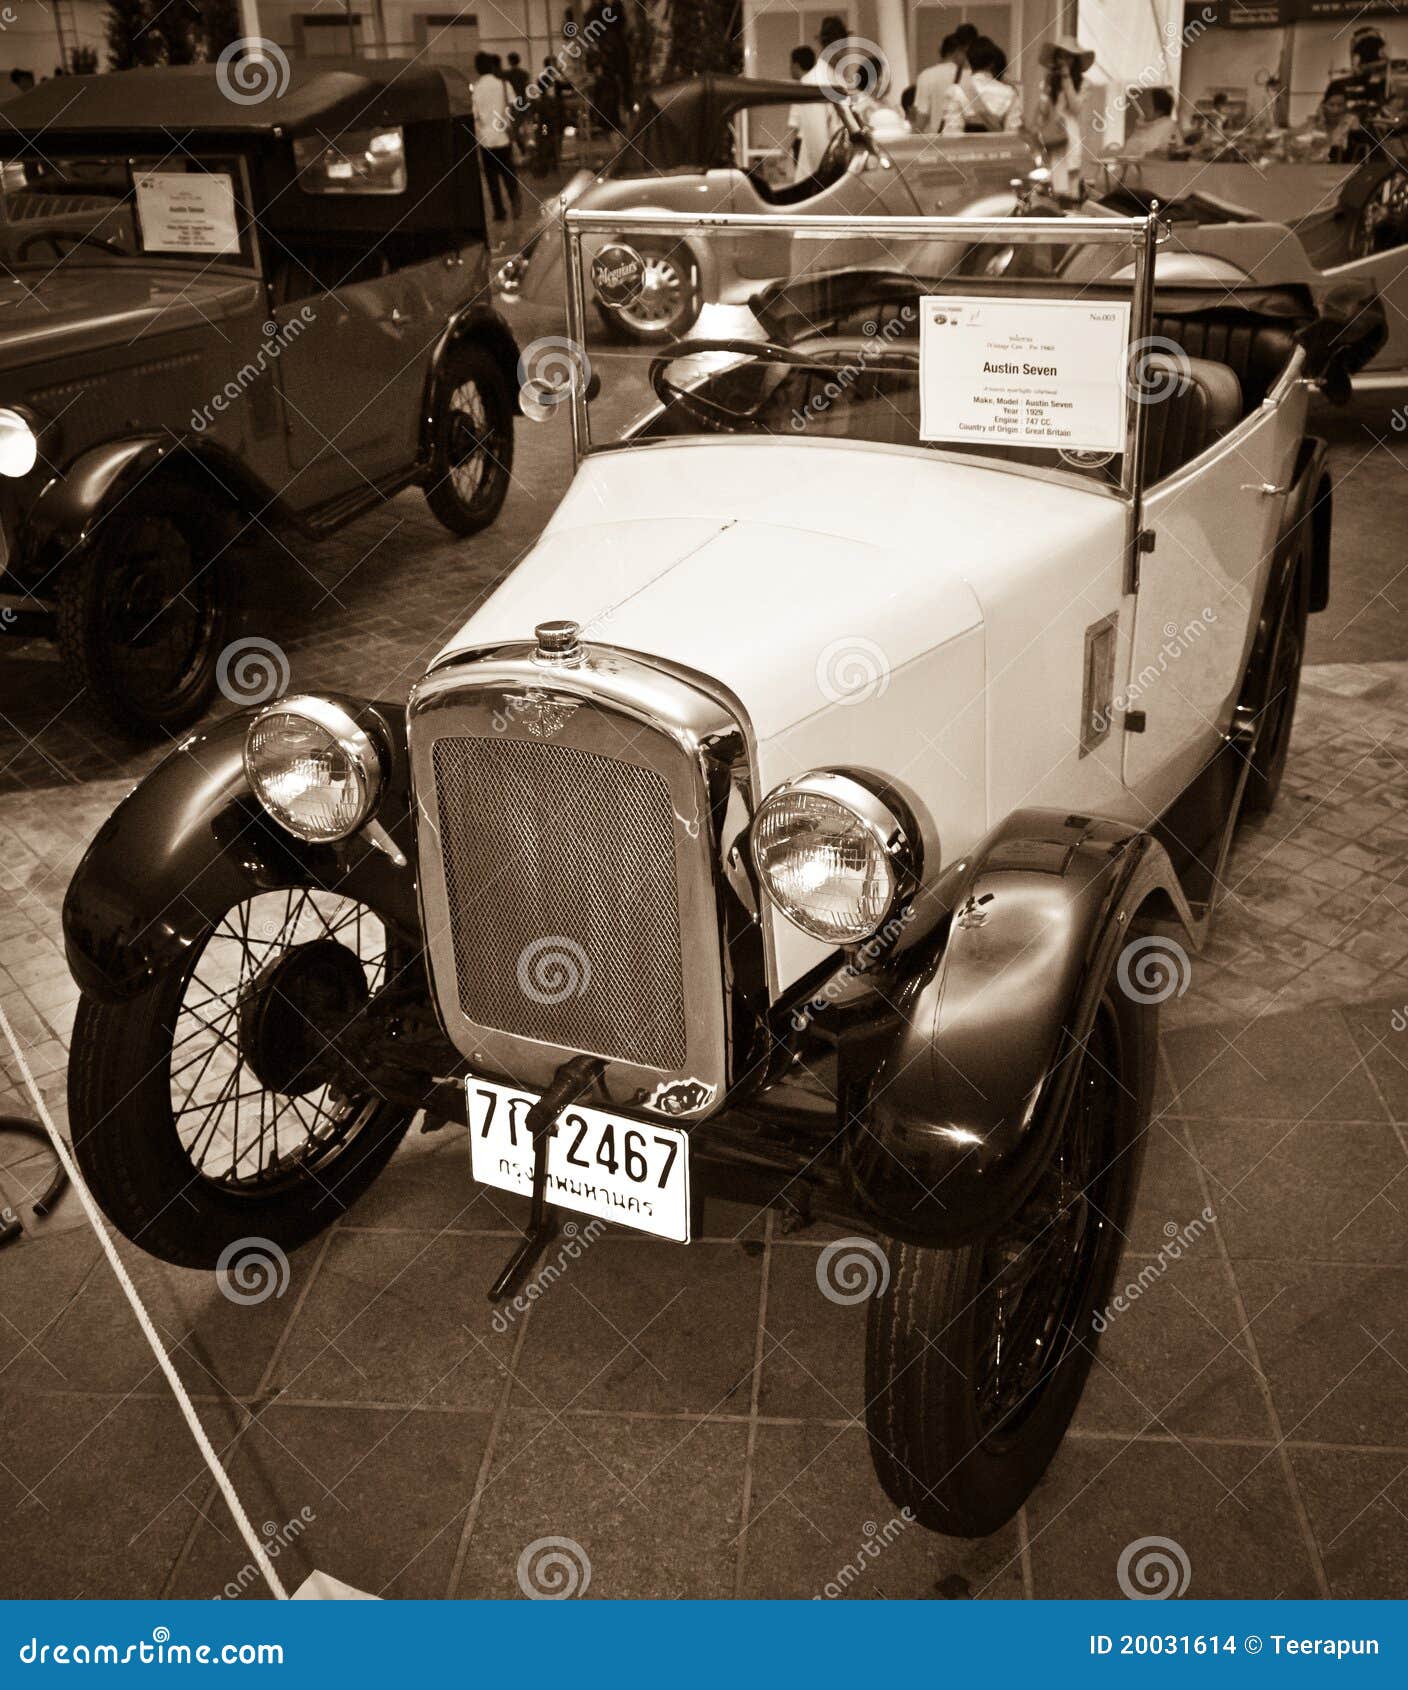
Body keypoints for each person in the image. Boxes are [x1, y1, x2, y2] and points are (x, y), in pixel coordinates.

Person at [1037, 33, 1095, 196]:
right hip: (1052, 134)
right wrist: (1048, 89)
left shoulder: (1084, 84)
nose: (1064, 62)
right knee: (1054, 183)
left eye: (1069, 57)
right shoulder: (1048, 82)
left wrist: (1067, 79)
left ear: (1075, 61)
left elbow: (1075, 107)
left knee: (1071, 183)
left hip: (1070, 134)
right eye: (1061, 57)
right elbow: (1043, 111)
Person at [472, 51, 520, 222]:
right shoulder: (503, 85)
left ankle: (499, 212)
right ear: (492, 66)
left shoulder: (476, 89)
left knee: (492, 180)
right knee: (509, 175)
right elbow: (514, 106)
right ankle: (516, 207)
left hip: (485, 140)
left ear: (477, 68)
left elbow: (475, 115)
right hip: (503, 138)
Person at [940, 36, 1021, 134]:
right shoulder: (1009, 93)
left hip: (967, 148)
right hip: (999, 148)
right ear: (992, 63)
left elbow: (952, 134)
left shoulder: (956, 91)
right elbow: (1013, 135)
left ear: (969, 61)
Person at [912, 25, 975, 133]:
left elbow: (922, 118)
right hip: (964, 142)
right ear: (957, 52)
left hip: (935, 143)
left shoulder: (926, 75)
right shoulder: (970, 76)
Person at [1123, 86, 1179, 158]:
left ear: (1159, 110)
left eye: (1148, 105)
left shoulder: (1167, 125)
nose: (1143, 108)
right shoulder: (1146, 126)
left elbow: (1155, 151)